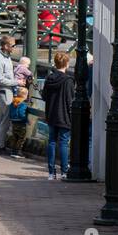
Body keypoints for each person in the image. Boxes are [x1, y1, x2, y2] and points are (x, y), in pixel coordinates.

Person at [42, 52, 76, 180]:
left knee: (51, 141)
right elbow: (69, 100)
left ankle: (51, 172)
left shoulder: (49, 79)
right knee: (63, 142)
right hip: (64, 116)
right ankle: (64, 171)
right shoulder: (68, 81)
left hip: (51, 114)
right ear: (67, 64)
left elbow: (45, 96)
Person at [0, 34, 18, 155]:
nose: (14, 47)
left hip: (9, 90)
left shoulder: (7, 57)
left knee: (1, 118)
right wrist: (17, 82)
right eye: (12, 45)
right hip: (4, 91)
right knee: (6, 119)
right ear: (5, 46)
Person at [6, 85, 29, 158]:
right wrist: (26, 120)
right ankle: (18, 151)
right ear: (25, 96)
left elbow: (10, 111)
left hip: (14, 121)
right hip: (21, 122)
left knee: (14, 136)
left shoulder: (13, 101)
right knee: (21, 137)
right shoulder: (23, 104)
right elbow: (22, 113)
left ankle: (13, 151)